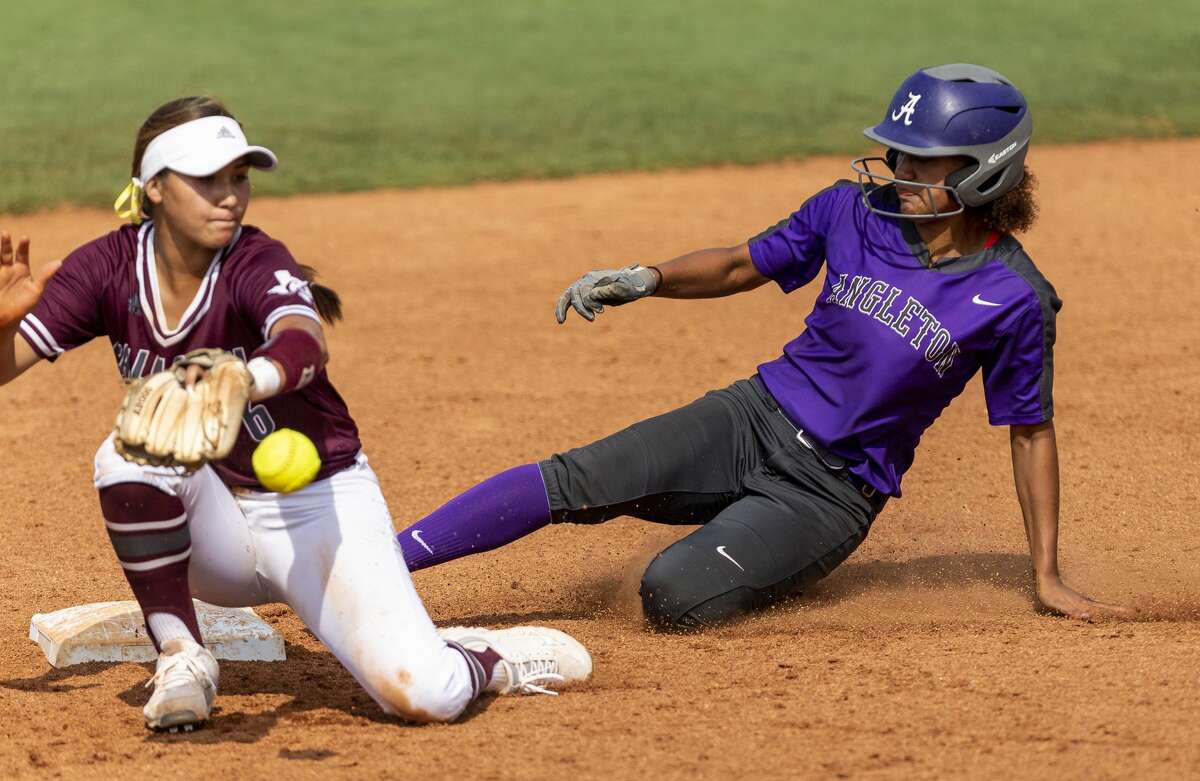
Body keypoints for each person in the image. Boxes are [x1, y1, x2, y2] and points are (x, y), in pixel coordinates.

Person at [396, 64, 1132, 629]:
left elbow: (1030, 431)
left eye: (920, 161)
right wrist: (646, 277)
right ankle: (384, 563)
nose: (897, 171)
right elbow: (743, 263)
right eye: (896, 154)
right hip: (750, 415)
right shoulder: (848, 211)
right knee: (574, 476)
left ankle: (754, 541)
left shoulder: (1013, 297)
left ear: (983, 170)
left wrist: (1047, 574)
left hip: (828, 492)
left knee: (670, 594)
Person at [0, 97, 590, 732]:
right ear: (155, 190)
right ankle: (181, 655)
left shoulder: (257, 259)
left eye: (239, 177)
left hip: (318, 510)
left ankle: (476, 658)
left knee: (425, 696)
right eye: (207, 180)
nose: (229, 196)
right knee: (129, 448)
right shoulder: (107, 267)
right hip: (213, 527)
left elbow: (303, 340)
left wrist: (244, 376)